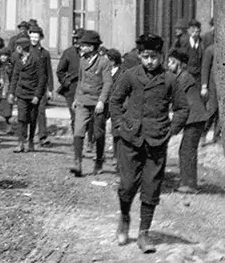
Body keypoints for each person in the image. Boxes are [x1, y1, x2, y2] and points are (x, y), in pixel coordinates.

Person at [110, 34, 190, 253]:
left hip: (156, 140)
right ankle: (124, 216)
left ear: (161, 56)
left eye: (154, 57)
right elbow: (115, 100)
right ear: (139, 55)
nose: (150, 61)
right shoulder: (129, 76)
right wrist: (119, 124)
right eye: (145, 57)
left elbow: (183, 108)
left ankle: (144, 233)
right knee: (126, 186)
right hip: (130, 138)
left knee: (151, 188)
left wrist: (172, 130)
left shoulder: (169, 80)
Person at [69, 30, 112, 177]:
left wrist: (101, 101)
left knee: (99, 134)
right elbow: (80, 81)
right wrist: (76, 98)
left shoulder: (104, 62)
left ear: (92, 47)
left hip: (97, 102)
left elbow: (107, 83)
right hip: (83, 100)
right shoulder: (82, 61)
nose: (81, 47)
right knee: (78, 130)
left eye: (84, 45)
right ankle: (77, 163)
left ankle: (99, 160)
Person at [165, 48, 207, 194]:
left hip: (195, 119)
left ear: (180, 64)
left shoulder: (184, 78)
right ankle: (187, 182)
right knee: (185, 150)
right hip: (193, 119)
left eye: (172, 62)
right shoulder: (181, 77)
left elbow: (173, 96)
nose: (169, 65)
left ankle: (190, 185)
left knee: (187, 150)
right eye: (168, 62)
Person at [8, 35, 47, 153]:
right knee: (21, 118)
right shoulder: (18, 59)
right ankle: (20, 142)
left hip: (33, 94)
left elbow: (42, 79)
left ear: (21, 48)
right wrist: (11, 93)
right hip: (21, 93)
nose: (15, 49)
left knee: (32, 118)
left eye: (17, 47)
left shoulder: (36, 59)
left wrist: (37, 96)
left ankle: (30, 141)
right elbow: (15, 77)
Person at [27, 23, 54, 146]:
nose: (34, 39)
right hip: (27, 85)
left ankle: (42, 136)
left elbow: (48, 71)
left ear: (40, 38)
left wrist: (50, 89)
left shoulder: (45, 53)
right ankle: (27, 136)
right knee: (28, 111)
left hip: (41, 86)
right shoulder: (25, 51)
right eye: (32, 37)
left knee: (41, 111)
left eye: (36, 37)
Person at [56, 29, 83, 130]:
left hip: (86, 89)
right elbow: (60, 71)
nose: (76, 41)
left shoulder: (90, 54)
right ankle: (76, 141)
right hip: (72, 88)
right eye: (75, 39)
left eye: (78, 39)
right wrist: (66, 83)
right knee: (75, 116)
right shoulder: (68, 52)